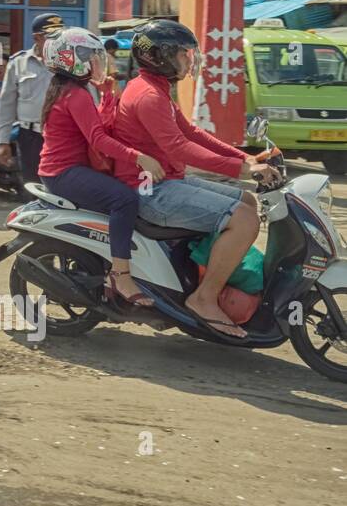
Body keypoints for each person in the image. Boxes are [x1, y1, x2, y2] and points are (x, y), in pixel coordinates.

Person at [112, 20, 276, 338]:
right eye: (184, 54)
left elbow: (191, 132)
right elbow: (179, 147)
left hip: (167, 182)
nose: (189, 61)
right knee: (244, 220)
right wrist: (241, 170)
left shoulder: (156, 89)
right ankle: (204, 298)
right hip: (151, 191)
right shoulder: (148, 95)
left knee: (247, 200)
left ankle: (209, 274)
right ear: (160, 56)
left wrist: (245, 158)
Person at [37, 28, 165, 307]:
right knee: (125, 200)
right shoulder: (76, 94)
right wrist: (139, 157)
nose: (96, 61)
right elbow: (99, 139)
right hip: (64, 172)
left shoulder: (68, 88)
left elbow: (98, 127)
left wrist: (107, 94)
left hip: (63, 170)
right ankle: (121, 275)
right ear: (70, 58)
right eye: (89, 55)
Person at [0, 13, 65, 190]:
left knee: (60, 187)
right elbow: (6, 104)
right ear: (37, 38)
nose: (59, 41)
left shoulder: (68, 63)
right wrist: (3, 142)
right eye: (52, 36)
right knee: (32, 186)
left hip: (62, 135)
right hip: (30, 136)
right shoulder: (18, 62)